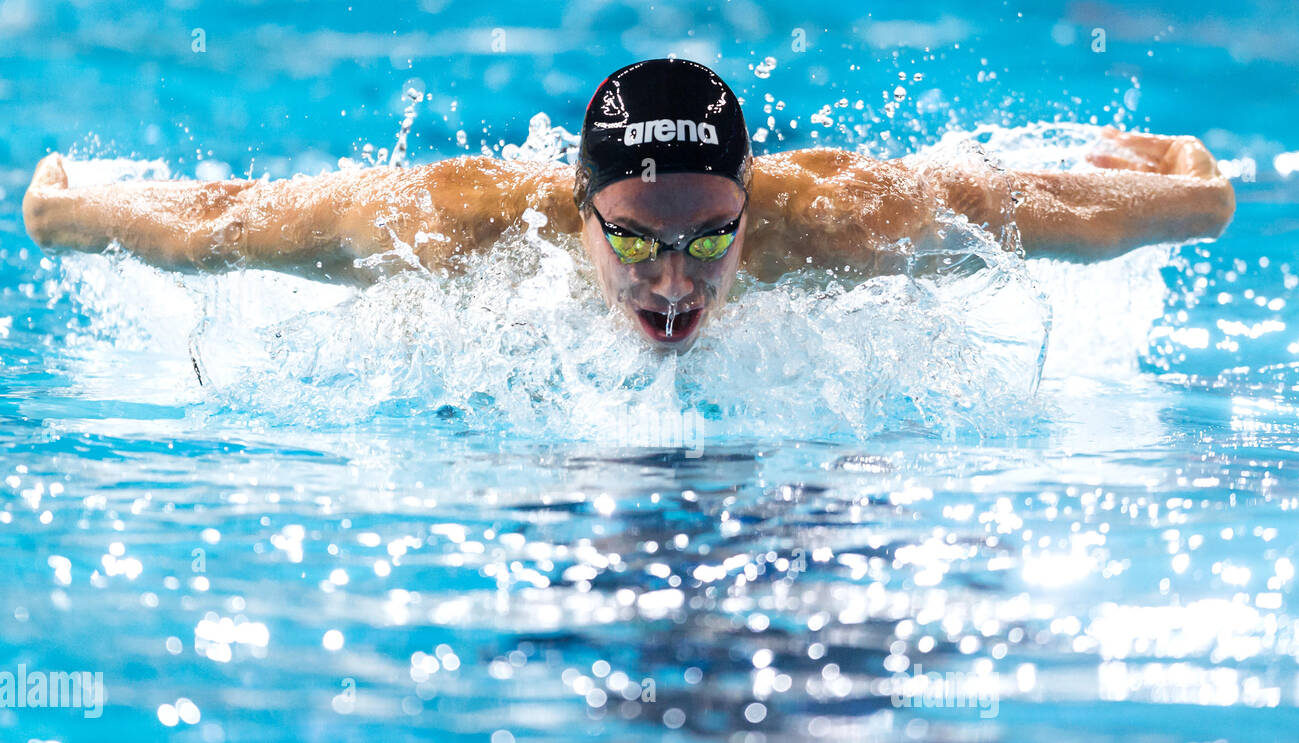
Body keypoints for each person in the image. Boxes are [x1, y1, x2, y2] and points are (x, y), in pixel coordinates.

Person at [22, 58, 1235, 349]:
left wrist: (1184, 179)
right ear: (578, 208)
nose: (674, 281)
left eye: (714, 236)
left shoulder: (847, 215)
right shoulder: (451, 220)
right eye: (641, 241)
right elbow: (222, 226)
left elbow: (1068, 209)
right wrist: (60, 214)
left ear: (757, 205)